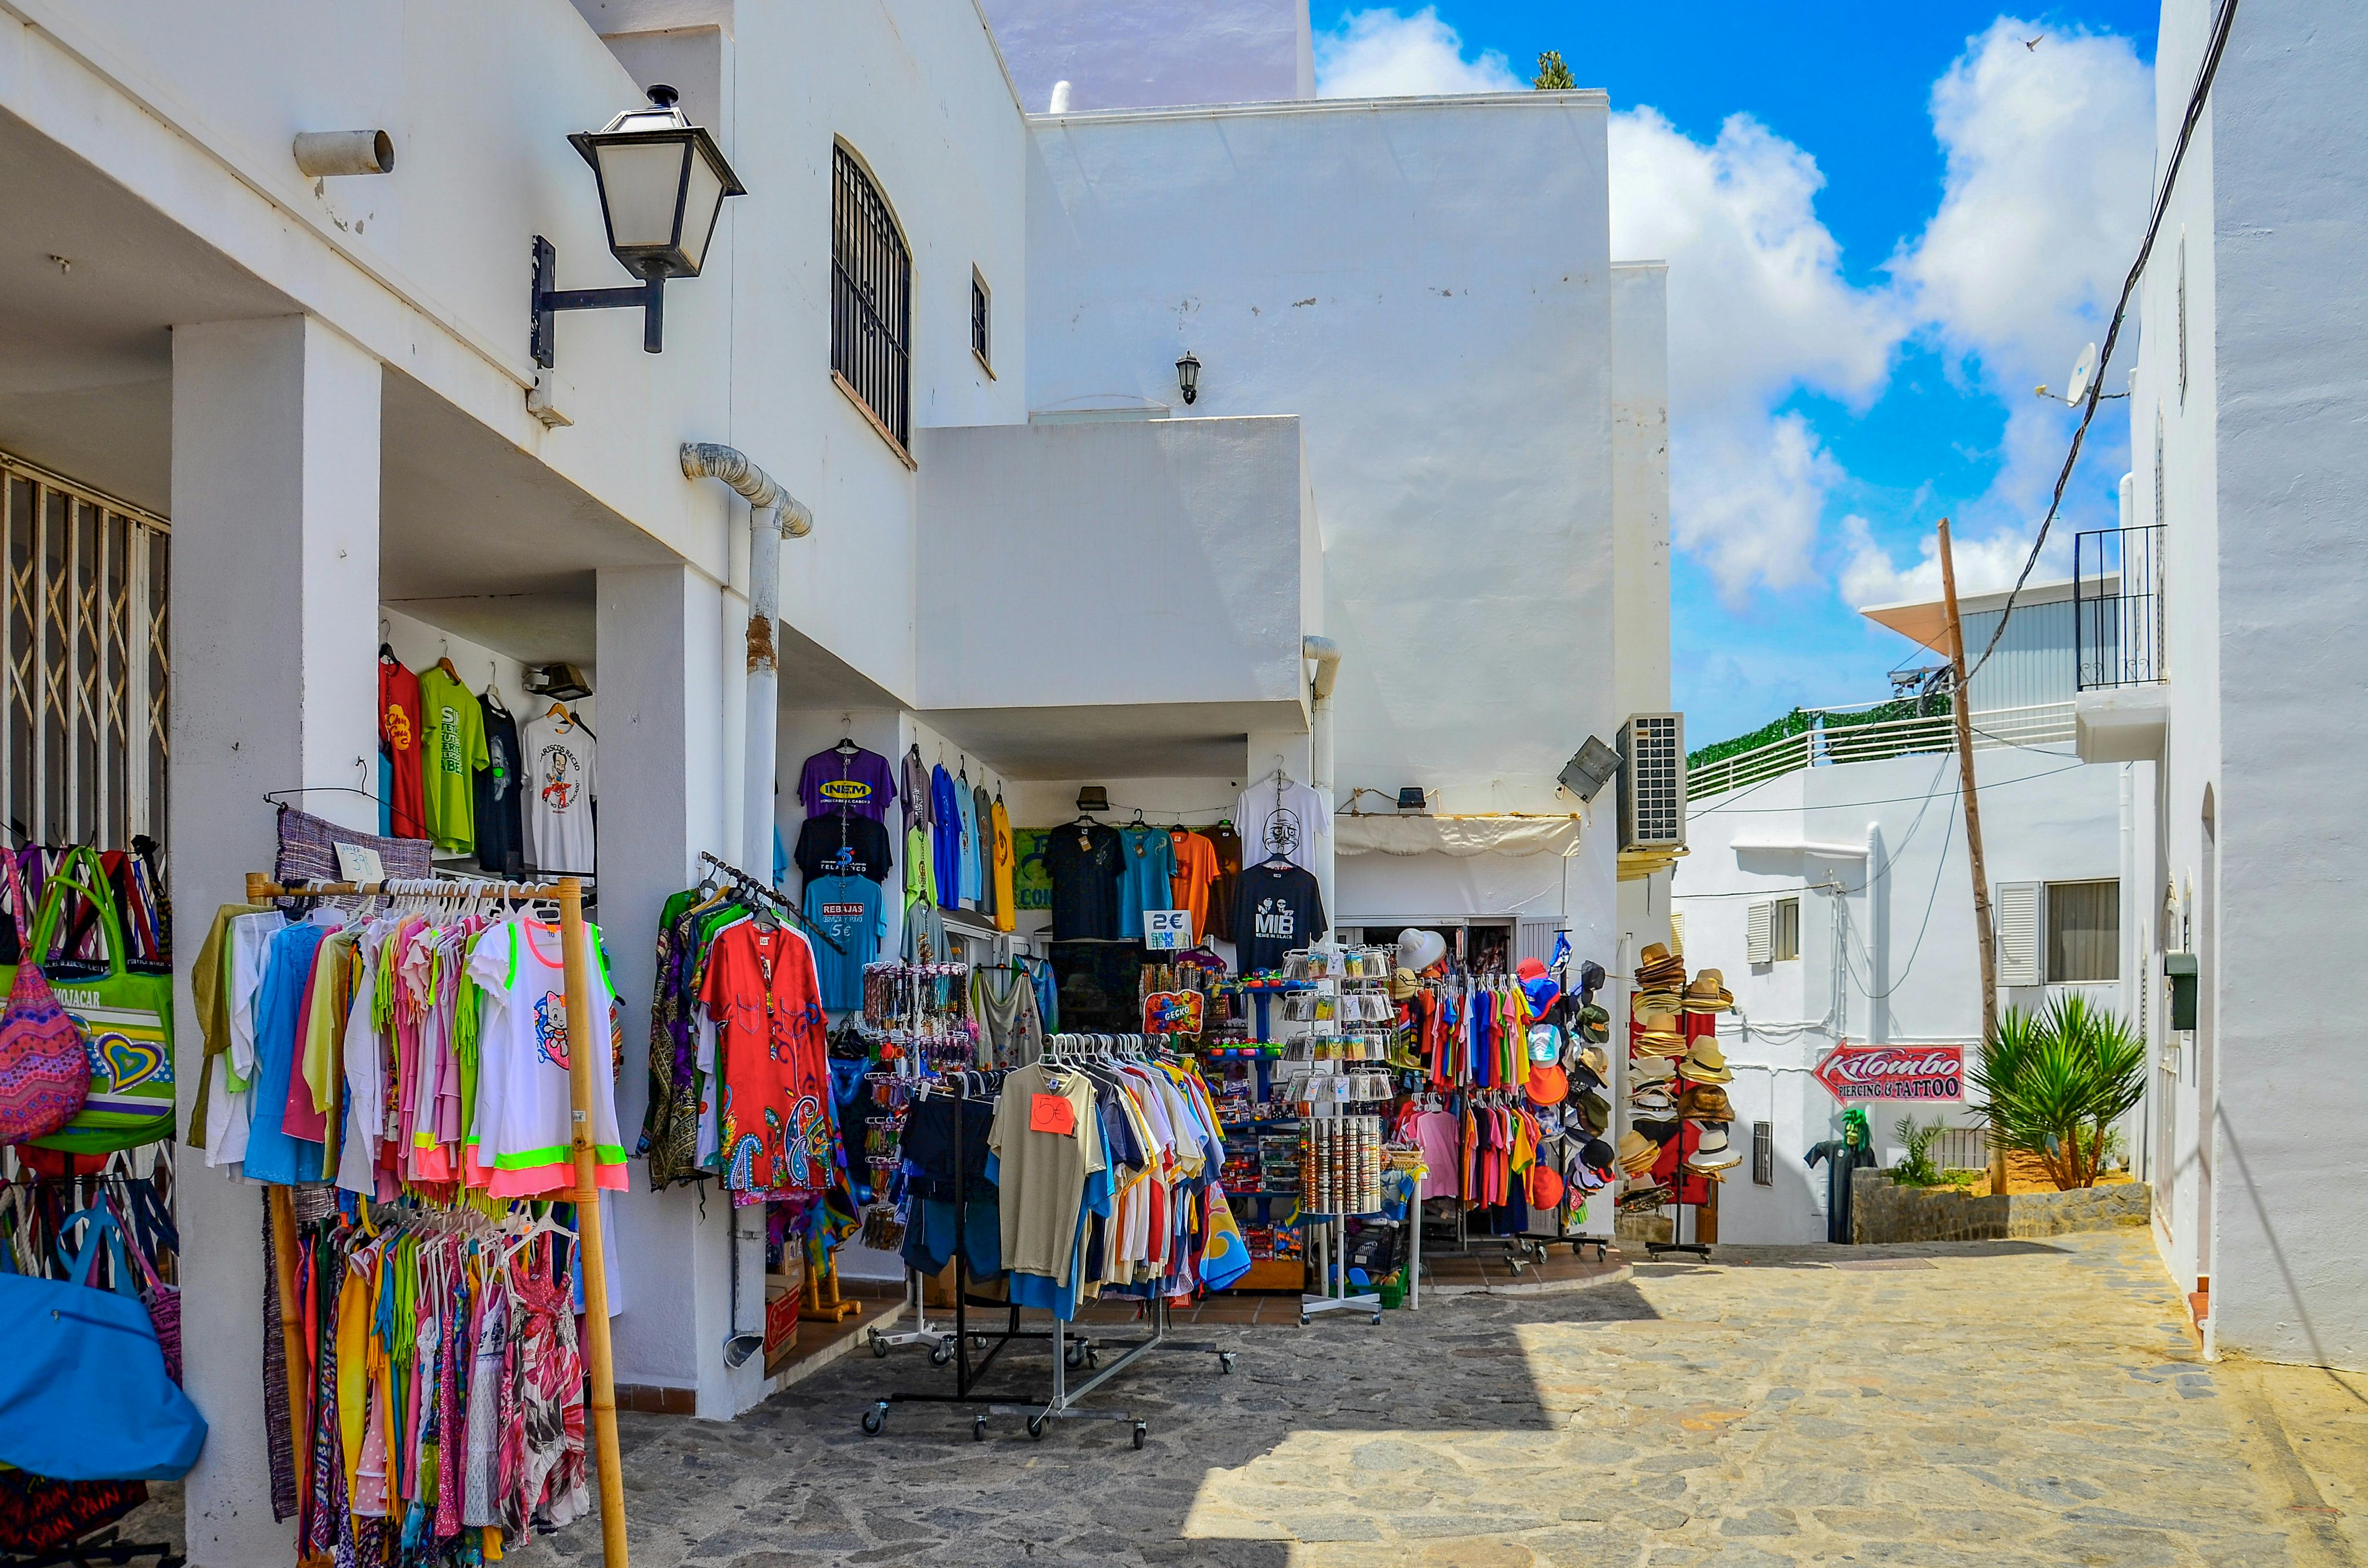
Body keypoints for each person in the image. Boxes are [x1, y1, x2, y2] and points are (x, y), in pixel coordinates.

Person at [1804, 1107, 1877, 1245]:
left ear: (1862, 1134)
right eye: (1848, 1131)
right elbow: (1820, 1147)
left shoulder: (1867, 1153)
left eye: (1854, 1131)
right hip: (1839, 1195)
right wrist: (1810, 1160)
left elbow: (1874, 1172)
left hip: (1857, 1196)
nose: (1850, 1134)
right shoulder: (1836, 1148)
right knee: (1838, 1217)